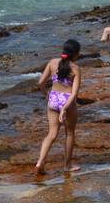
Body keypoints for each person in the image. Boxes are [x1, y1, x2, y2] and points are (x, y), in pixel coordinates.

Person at [34, 39, 82, 176]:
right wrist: (65, 108)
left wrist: (46, 95)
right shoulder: (76, 69)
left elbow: (40, 83)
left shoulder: (52, 63)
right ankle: (67, 166)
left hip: (53, 99)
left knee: (52, 134)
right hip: (67, 101)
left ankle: (40, 162)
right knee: (69, 133)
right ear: (76, 54)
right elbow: (74, 93)